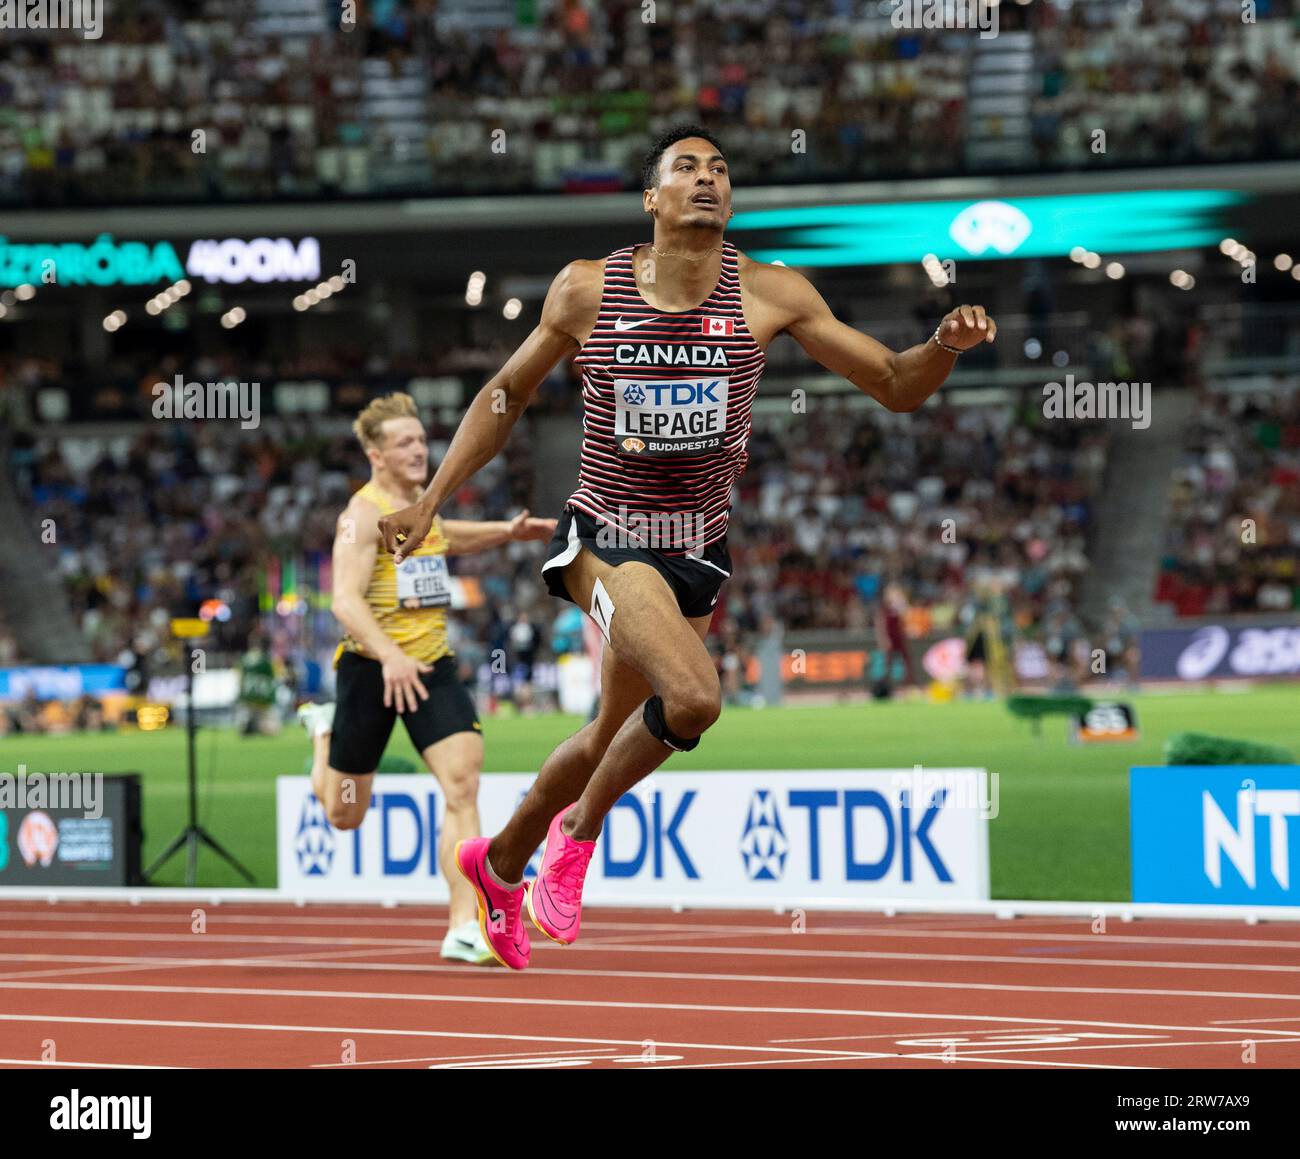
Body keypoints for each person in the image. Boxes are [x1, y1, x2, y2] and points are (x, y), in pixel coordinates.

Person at [376, 125, 997, 969]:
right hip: (604, 538)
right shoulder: (586, 290)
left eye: (720, 170)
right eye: (686, 169)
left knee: (607, 737)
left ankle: (498, 863)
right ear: (652, 198)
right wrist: (433, 503)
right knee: (696, 700)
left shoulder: (772, 294)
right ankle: (576, 837)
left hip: (694, 552)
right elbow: (503, 395)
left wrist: (944, 348)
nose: (707, 179)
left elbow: (893, 384)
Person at [298, 392, 554, 965]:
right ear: (375, 454)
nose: (420, 450)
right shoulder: (360, 517)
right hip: (372, 669)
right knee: (345, 814)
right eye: (405, 443)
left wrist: (508, 532)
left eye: (421, 440)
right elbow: (343, 600)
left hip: (432, 668)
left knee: (462, 785)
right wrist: (388, 655)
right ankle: (322, 734)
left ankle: (463, 924)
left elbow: (448, 536)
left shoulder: (424, 506)